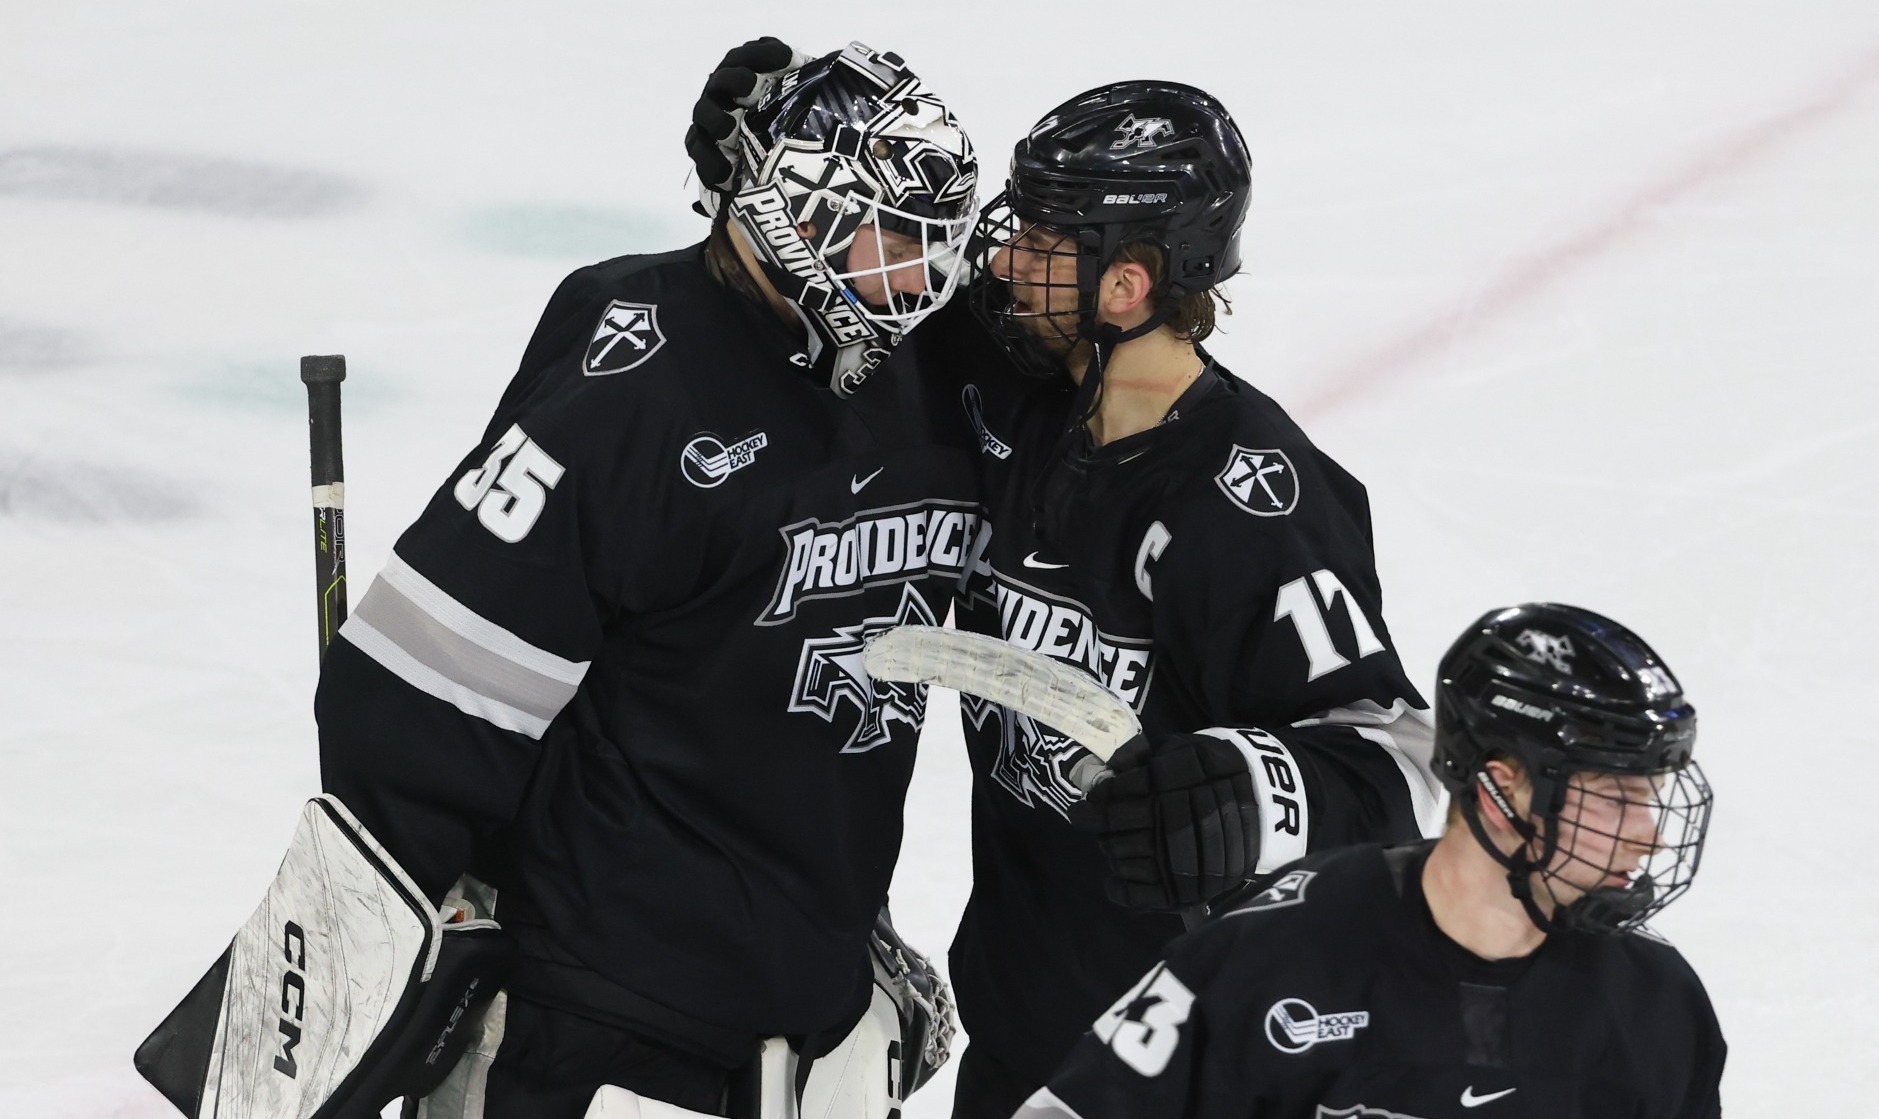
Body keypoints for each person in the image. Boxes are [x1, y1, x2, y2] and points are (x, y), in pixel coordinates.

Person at [690, 55, 1443, 1119]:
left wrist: (1250, 790)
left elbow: (1404, 763)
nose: (1003, 261)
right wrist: (762, 171)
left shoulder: (1250, 505)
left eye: (1043, 242)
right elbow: (858, 286)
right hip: (1026, 1035)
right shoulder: (1012, 386)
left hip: (1196, 1064)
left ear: (1127, 284)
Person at [311, 42, 980, 1118]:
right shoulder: (642, 381)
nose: (927, 278)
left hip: (800, 1004)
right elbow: (419, 687)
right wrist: (391, 919)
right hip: (604, 1025)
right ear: (796, 210)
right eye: (893, 234)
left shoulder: (910, 370)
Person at [1014, 603, 1724, 1119]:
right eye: (1614, 798)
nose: (1650, 835)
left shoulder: (1655, 1005)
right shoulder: (1276, 956)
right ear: (1502, 786)